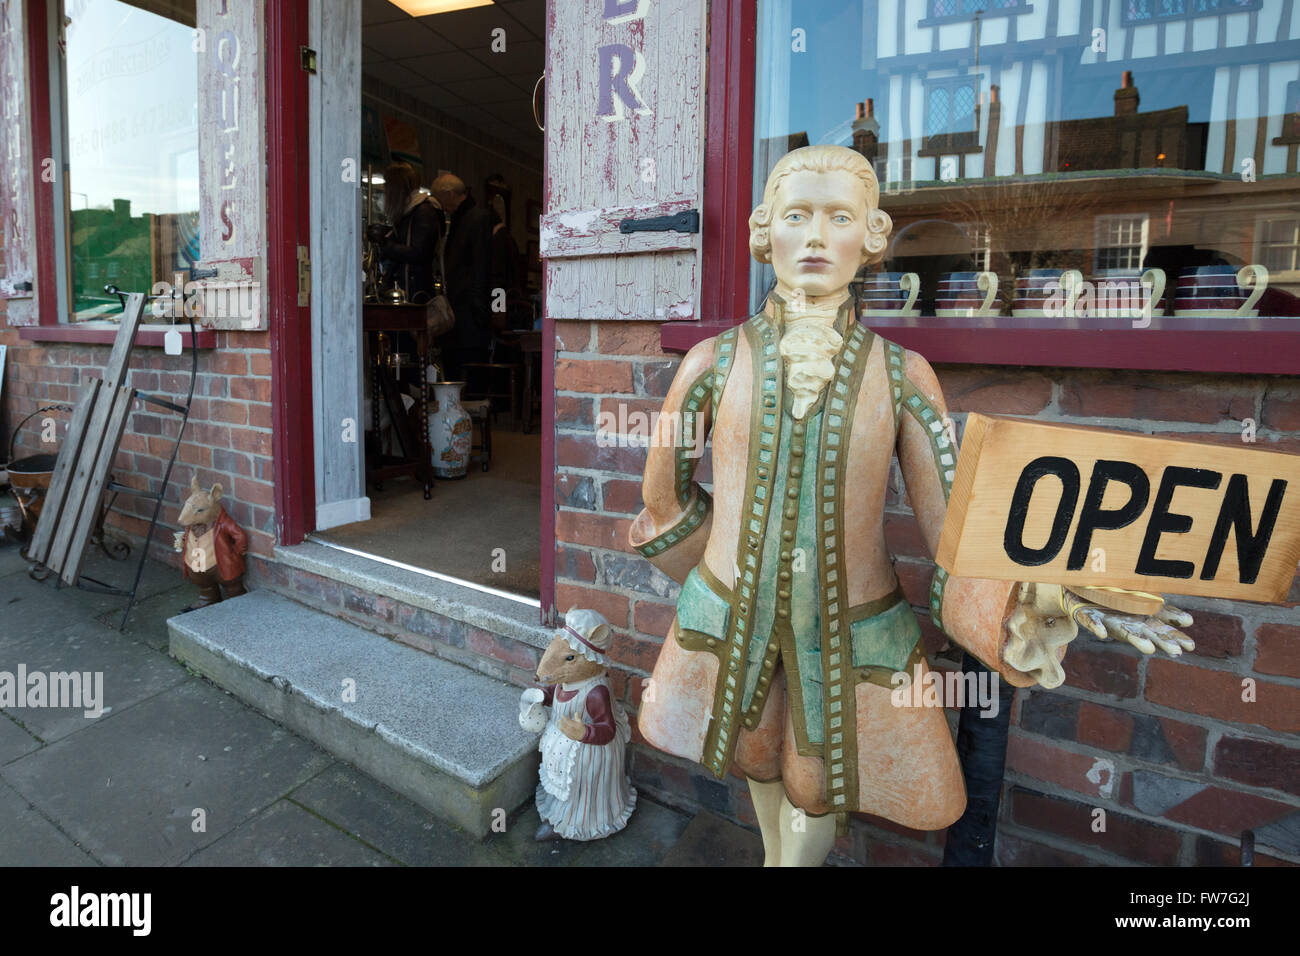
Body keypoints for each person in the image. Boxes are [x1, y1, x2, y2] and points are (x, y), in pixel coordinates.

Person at [628, 145, 1194, 866]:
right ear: (764, 230)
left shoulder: (904, 376)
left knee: (817, 788)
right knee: (760, 763)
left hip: (855, 642)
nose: (814, 236)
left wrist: (1045, 593)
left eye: (838, 217)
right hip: (730, 628)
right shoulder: (709, 362)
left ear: (871, 237)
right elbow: (663, 496)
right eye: (797, 215)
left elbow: (951, 530)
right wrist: (712, 584)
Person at [432, 172, 495, 380]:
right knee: (454, 370)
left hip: (469, 313)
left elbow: (481, 265)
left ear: (449, 194)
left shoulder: (477, 218)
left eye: (438, 197)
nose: (438, 204)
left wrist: (479, 311)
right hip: (459, 310)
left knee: (468, 374)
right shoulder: (459, 220)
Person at [379, 162, 445, 303]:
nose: (385, 190)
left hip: (415, 293)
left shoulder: (422, 211)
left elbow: (418, 253)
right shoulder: (410, 210)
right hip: (409, 290)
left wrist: (386, 244)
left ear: (396, 187)